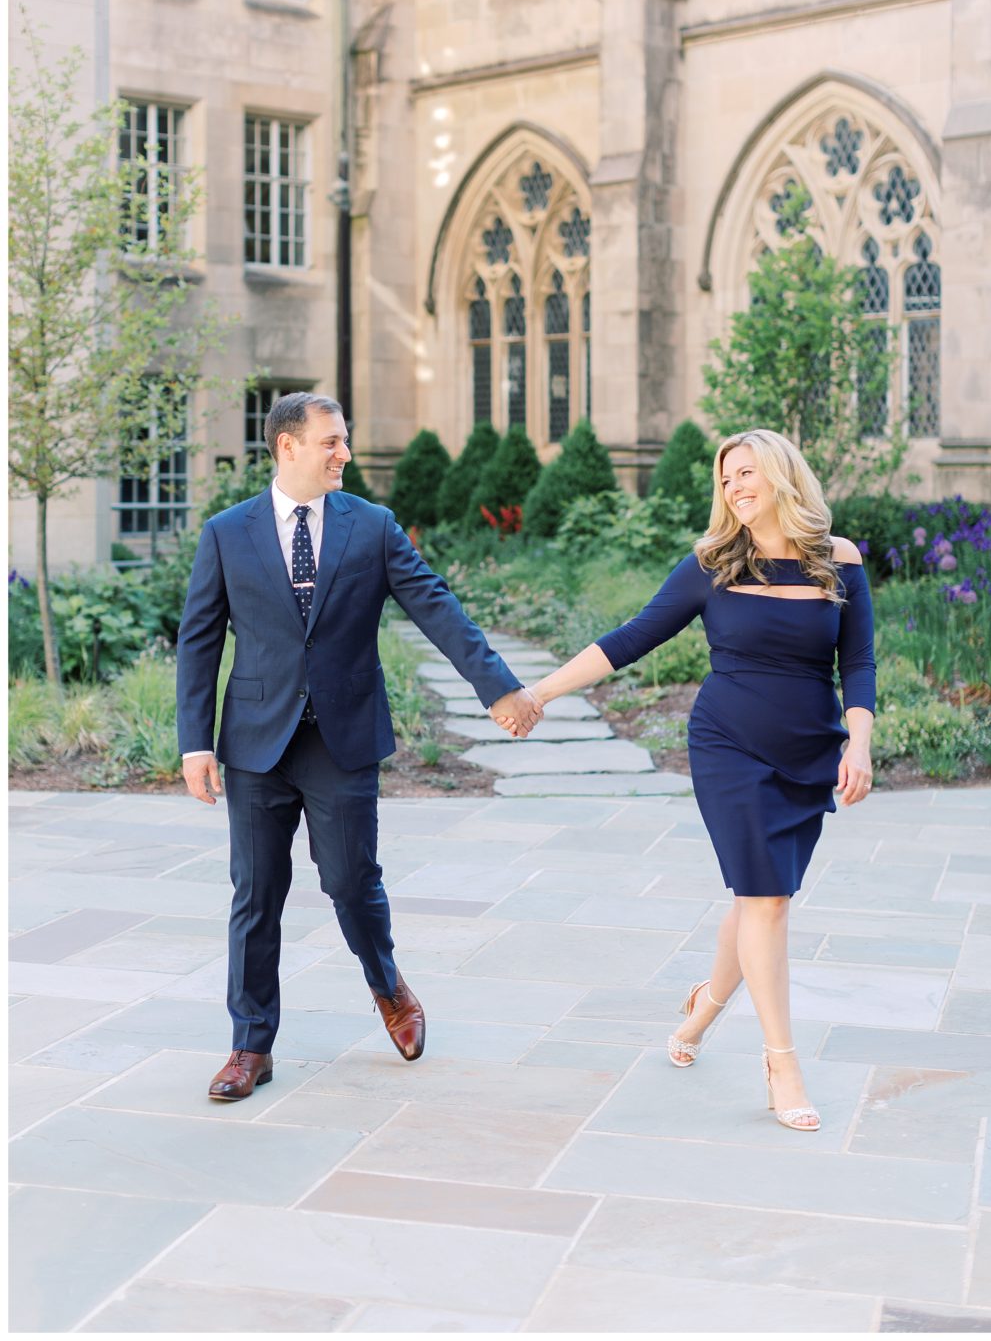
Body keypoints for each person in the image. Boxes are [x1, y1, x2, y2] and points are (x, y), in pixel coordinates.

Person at [177, 392, 542, 1100]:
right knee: (255, 894)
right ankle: (249, 1046)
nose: (344, 453)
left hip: (341, 739)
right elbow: (198, 640)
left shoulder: (371, 527)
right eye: (331, 442)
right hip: (256, 741)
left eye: (343, 439)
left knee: (350, 882)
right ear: (288, 447)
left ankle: (387, 985)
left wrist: (496, 686)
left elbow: (435, 604)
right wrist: (195, 742)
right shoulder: (227, 532)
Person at [516, 428, 875, 1132]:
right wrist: (539, 693)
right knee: (765, 900)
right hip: (729, 747)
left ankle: (701, 1011)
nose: (734, 487)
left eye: (745, 473)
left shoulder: (837, 562)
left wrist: (857, 742)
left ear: (779, 475)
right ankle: (781, 1062)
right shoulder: (711, 564)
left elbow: (856, 663)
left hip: (808, 749)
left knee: (755, 901)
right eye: (725, 479)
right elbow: (628, 638)